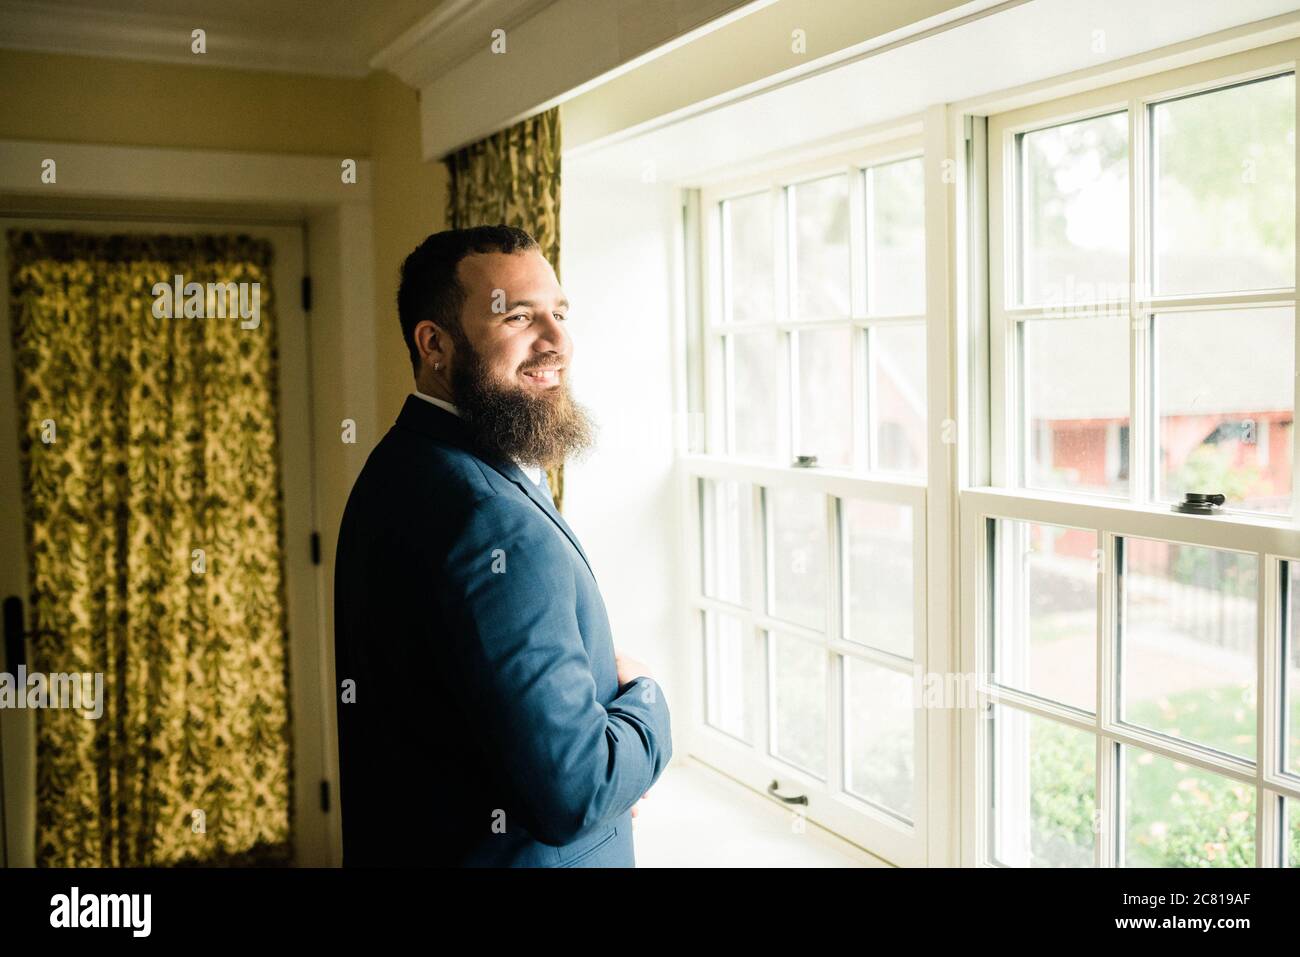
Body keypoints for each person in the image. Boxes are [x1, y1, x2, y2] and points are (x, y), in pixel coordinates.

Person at [332, 224, 672, 866]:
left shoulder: (400, 465)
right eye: (518, 316)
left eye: (560, 312)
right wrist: (647, 702)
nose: (557, 342)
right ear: (434, 343)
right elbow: (576, 793)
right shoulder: (491, 519)